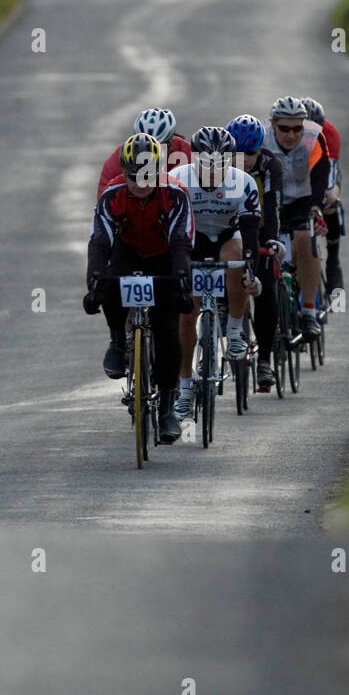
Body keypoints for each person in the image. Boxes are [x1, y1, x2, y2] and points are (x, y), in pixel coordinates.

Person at [84, 133, 194, 444]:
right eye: (134, 176)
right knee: (109, 284)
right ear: (124, 174)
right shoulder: (112, 194)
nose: (141, 183)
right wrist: (93, 280)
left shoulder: (176, 194)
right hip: (128, 252)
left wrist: (182, 281)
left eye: (148, 175)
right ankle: (118, 340)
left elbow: (181, 243)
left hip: (165, 256)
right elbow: (100, 242)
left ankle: (168, 408)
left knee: (167, 329)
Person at [168, 126, 261, 419]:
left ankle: (234, 331)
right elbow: (171, 234)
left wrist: (251, 272)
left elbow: (251, 237)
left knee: (235, 258)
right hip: (191, 242)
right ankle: (184, 388)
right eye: (206, 164)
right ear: (194, 159)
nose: (213, 171)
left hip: (225, 238)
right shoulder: (177, 181)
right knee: (186, 317)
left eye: (220, 164)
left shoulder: (243, 183)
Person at [225, 113, 285, 393]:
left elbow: (272, 206)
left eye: (250, 153)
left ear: (260, 149)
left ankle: (264, 360)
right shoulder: (219, 164)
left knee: (266, 287)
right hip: (227, 231)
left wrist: (271, 240)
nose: (244, 159)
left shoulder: (270, 165)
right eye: (238, 153)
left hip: (258, 230)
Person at [262, 96, 329, 338]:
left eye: (297, 128)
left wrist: (316, 207)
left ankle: (309, 310)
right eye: (284, 128)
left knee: (306, 238)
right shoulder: (261, 139)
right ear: (272, 125)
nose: (291, 135)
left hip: (301, 201)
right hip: (271, 202)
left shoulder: (314, 137)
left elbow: (321, 175)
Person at [302, 97, 344, 301]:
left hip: (322, 173)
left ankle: (333, 257)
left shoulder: (330, 134)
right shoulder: (286, 135)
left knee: (330, 201)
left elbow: (330, 175)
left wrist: (323, 199)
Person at [97, 107, 192, 197]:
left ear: (171, 143)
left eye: (160, 147)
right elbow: (105, 200)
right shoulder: (118, 159)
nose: (152, 154)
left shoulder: (185, 151)